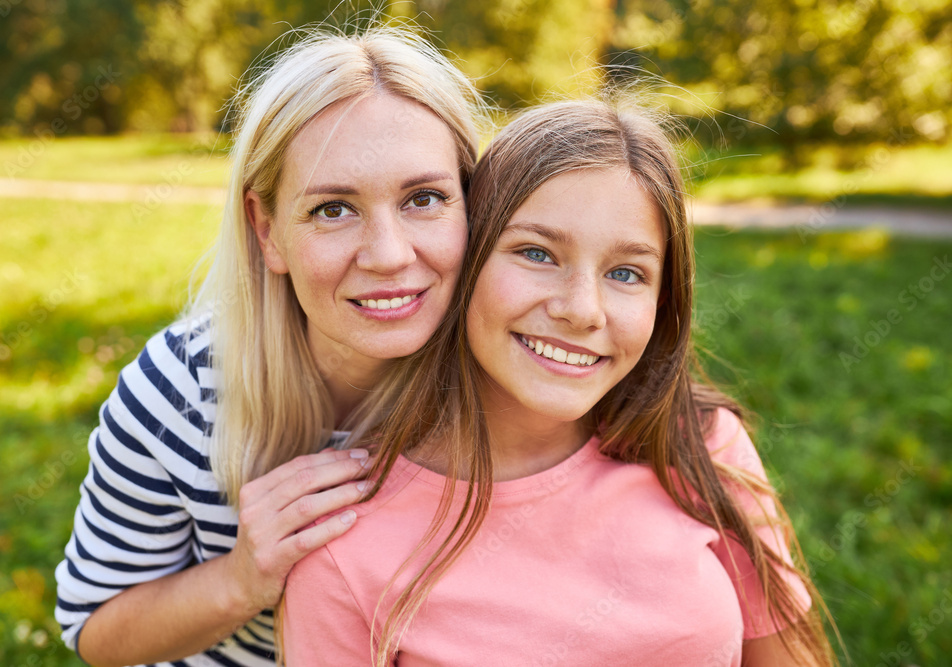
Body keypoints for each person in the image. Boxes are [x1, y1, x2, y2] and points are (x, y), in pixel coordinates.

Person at [281, 98, 836, 666]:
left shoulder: (701, 444)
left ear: (663, 296)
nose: (582, 310)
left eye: (626, 273)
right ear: (468, 256)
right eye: (537, 253)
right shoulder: (346, 540)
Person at [54, 25, 487, 667]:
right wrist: (240, 580)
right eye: (333, 209)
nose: (391, 256)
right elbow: (98, 631)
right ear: (268, 230)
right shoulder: (180, 392)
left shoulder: (508, 384)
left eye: (424, 199)